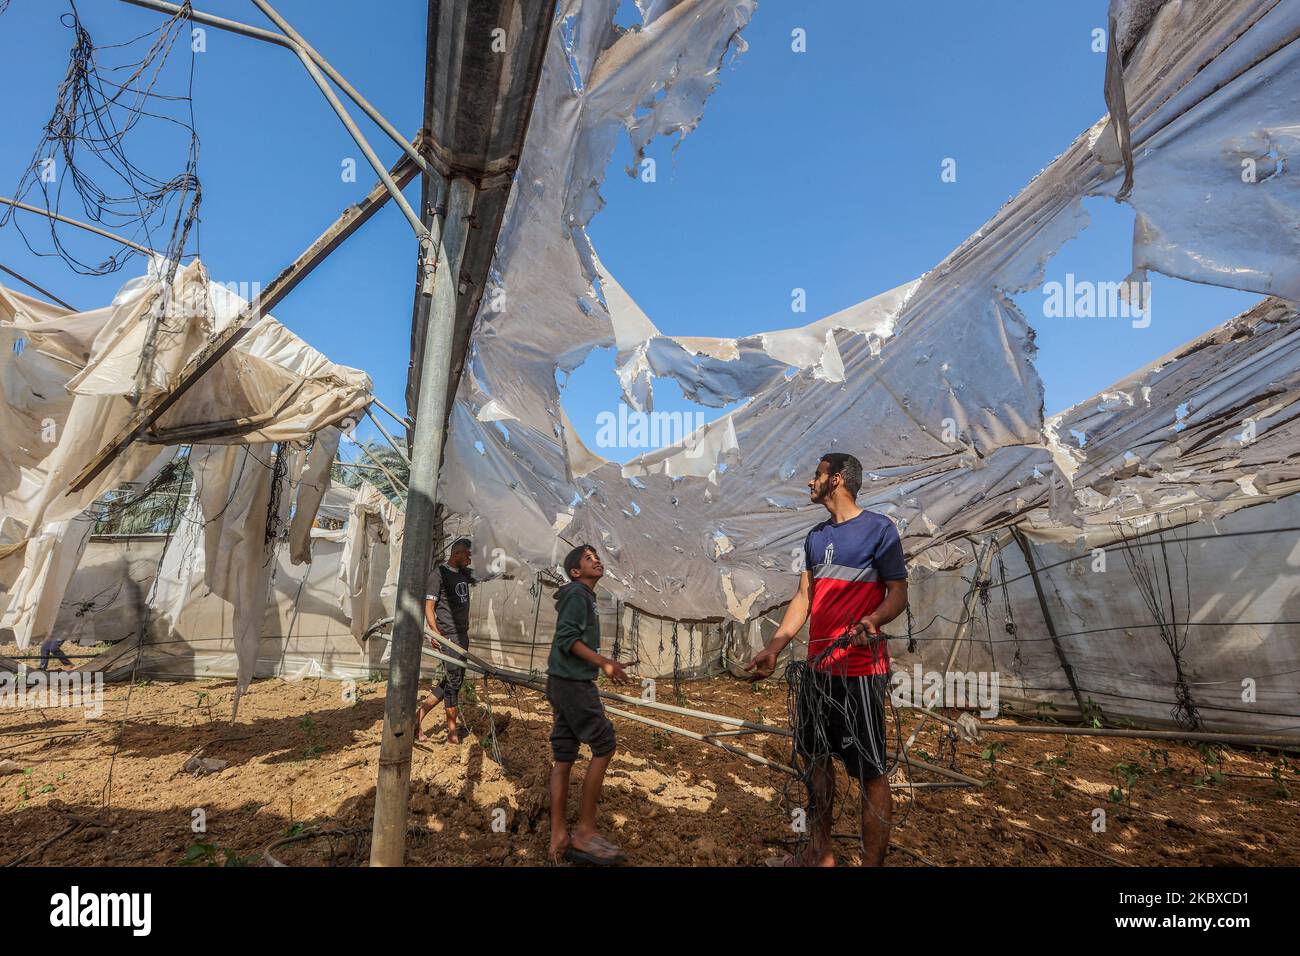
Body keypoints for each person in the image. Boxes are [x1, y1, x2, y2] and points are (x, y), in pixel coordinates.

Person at [746, 452, 909, 866]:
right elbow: (804, 598)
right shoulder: (815, 537)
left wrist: (874, 618)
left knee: (871, 771)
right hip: (818, 672)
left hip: (860, 673)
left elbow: (898, 594)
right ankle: (820, 855)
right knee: (814, 759)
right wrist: (774, 647)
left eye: (815, 475)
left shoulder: (880, 530)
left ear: (835, 479)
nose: (809, 483)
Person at [546, 544, 629, 865]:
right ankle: (584, 831)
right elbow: (567, 639)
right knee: (604, 746)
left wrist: (605, 662)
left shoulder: (582, 597)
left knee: (565, 755)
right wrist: (604, 663)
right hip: (574, 684)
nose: (596, 560)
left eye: (597, 556)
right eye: (588, 558)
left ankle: (558, 835)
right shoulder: (578, 595)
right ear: (575, 572)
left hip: (561, 681)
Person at [415, 537, 475, 744]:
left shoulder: (464, 575)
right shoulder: (438, 575)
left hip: (462, 636)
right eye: (467, 554)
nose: (470, 558)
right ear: (456, 553)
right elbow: (429, 608)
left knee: (450, 682)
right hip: (449, 636)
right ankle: (452, 733)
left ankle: (417, 719)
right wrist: (435, 633)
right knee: (454, 682)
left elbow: (485, 574)